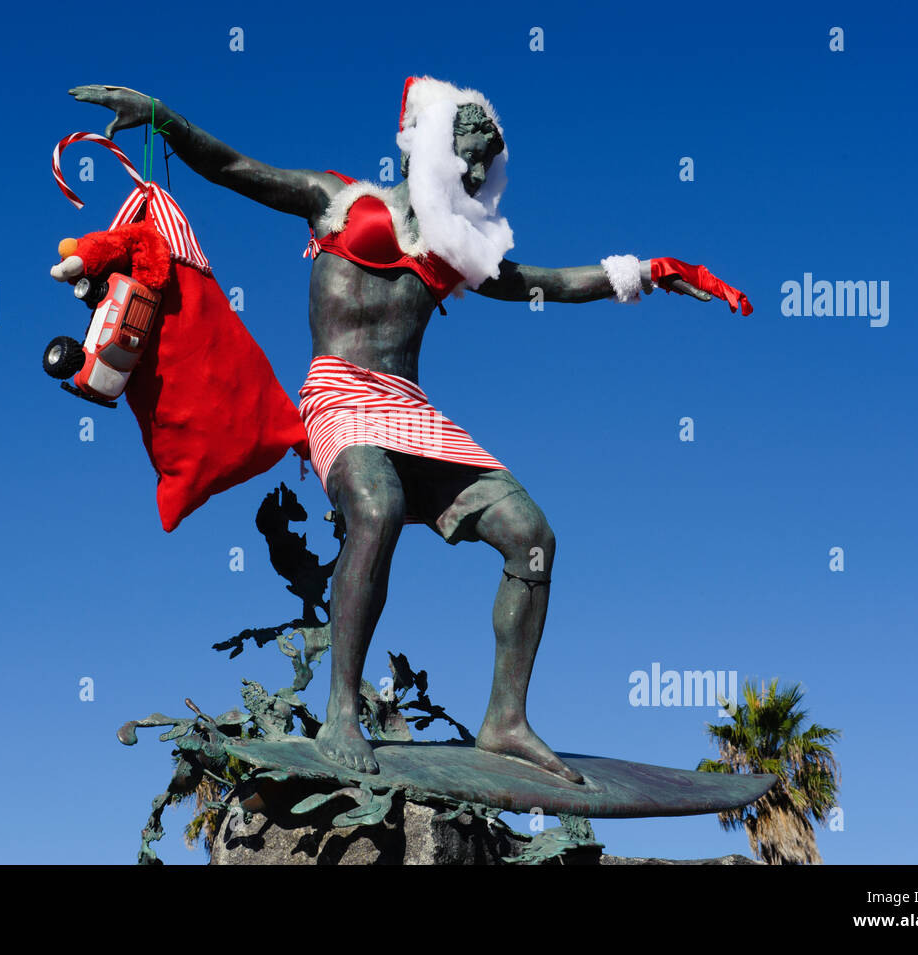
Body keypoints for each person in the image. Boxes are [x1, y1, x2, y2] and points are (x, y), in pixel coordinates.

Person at [70, 76, 720, 782]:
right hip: (341, 396)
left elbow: (550, 283)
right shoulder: (339, 201)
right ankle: (342, 710)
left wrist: (649, 271)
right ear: (431, 145)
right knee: (375, 509)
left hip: (412, 408)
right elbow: (234, 169)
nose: (474, 173)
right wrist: (162, 119)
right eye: (466, 154)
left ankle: (505, 719)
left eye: (486, 162)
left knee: (532, 535)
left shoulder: (457, 249)